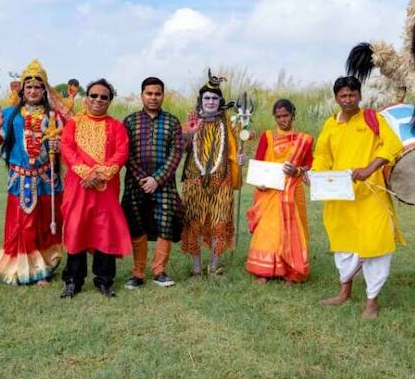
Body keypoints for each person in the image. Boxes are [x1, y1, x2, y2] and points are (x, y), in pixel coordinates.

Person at [311, 76, 404, 319]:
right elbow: (322, 155)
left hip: (371, 194)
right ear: (336, 98)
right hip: (340, 196)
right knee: (343, 244)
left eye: (352, 94)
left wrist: (369, 169)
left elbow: (392, 145)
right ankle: (344, 292)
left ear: (360, 96)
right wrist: (318, 175)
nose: (348, 99)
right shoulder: (330, 124)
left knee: (376, 245)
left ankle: (372, 301)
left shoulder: (373, 119)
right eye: (343, 95)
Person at [0, 60, 66, 285]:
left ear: (44, 90)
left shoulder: (55, 116)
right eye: (29, 87)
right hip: (20, 179)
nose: (33, 91)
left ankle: (44, 267)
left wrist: (58, 145)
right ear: (22, 90)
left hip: (46, 178)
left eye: (38, 87)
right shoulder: (10, 115)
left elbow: (66, 144)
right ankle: (26, 268)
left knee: (46, 223)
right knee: (24, 223)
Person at [59, 79, 131, 298]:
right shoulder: (74, 124)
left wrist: (99, 175)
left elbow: (121, 153)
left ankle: (104, 280)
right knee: (76, 228)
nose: (98, 100)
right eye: (94, 95)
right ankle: (73, 280)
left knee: (105, 229)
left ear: (109, 101)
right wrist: (86, 173)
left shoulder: (116, 126)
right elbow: (67, 150)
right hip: (78, 186)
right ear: (86, 98)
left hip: (105, 188)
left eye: (104, 97)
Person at [120, 77, 184, 289]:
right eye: (149, 93)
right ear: (142, 95)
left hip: (164, 184)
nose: (153, 97)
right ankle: (138, 273)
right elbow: (125, 153)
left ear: (163, 95)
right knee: (137, 225)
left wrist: (157, 179)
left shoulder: (172, 122)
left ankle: (159, 271)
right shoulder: (130, 121)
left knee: (165, 224)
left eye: (157, 94)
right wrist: (142, 178)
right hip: (135, 183)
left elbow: (176, 153)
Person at [245, 99, 314, 285]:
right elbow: (259, 161)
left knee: (291, 229)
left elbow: (309, 164)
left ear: (293, 115)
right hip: (269, 191)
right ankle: (264, 271)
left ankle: (290, 270)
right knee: (267, 230)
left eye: (286, 115)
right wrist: (259, 181)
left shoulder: (304, 139)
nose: (283, 120)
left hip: (292, 190)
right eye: (278, 117)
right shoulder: (267, 136)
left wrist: (297, 170)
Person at [180, 75, 243, 277]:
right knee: (194, 223)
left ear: (220, 101)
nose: (210, 102)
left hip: (221, 180)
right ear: (201, 101)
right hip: (194, 180)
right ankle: (196, 268)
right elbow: (181, 148)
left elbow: (238, 147)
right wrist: (190, 133)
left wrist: (241, 159)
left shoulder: (228, 125)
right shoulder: (191, 121)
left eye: (214, 98)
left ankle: (214, 266)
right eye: (206, 98)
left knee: (220, 222)